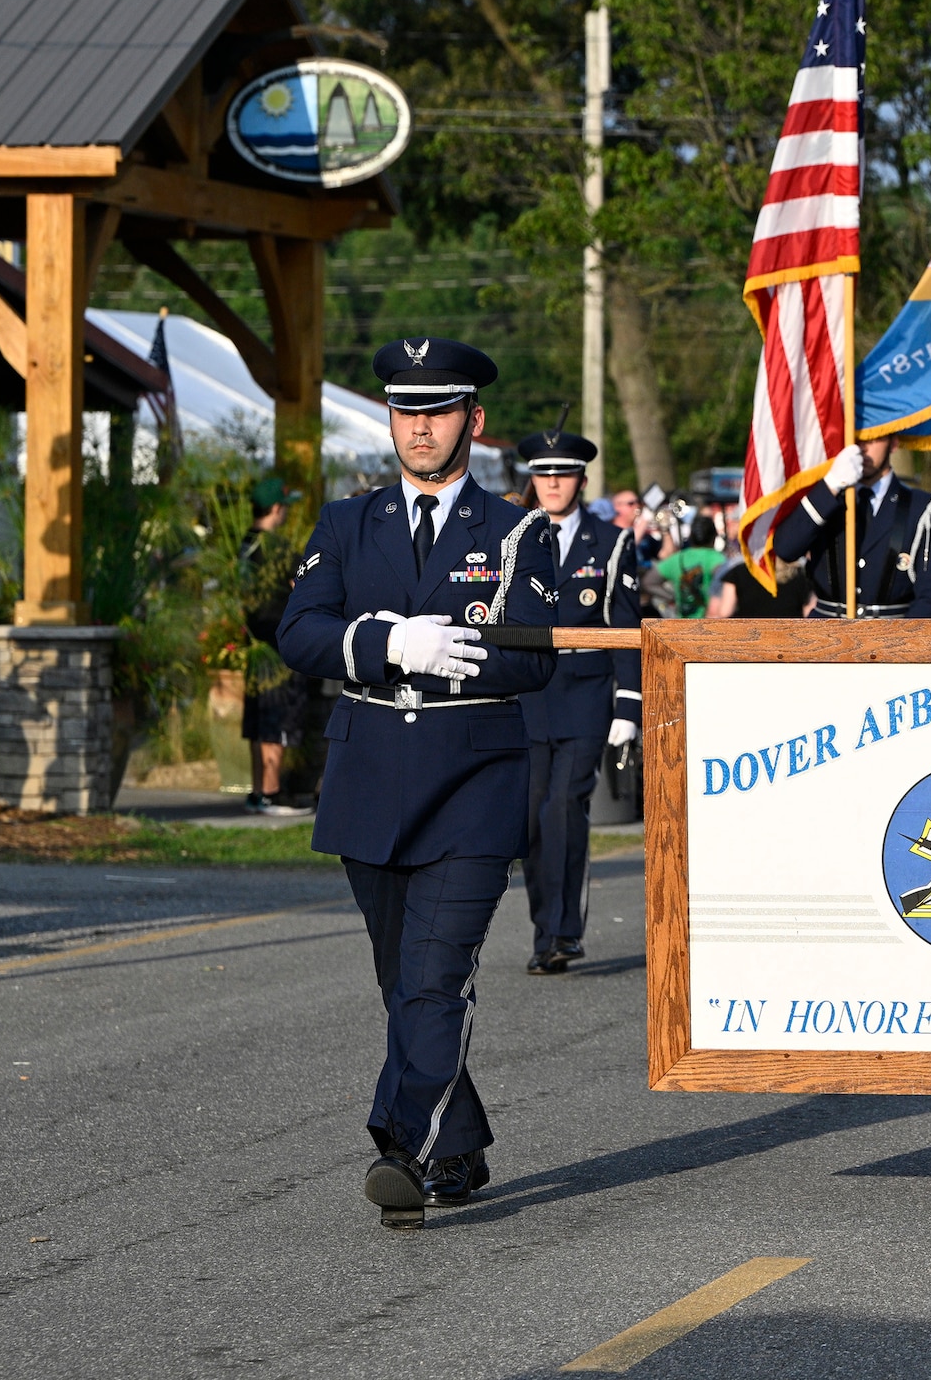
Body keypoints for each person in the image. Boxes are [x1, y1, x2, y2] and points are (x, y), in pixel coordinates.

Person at [277, 338, 559, 1229]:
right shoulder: (345, 524)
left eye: (438, 411)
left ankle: (398, 1141)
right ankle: (461, 1141)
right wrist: (389, 641)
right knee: (402, 979)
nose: (420, 428)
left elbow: (535, 652)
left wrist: (453, 656)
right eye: (406, 411)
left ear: (472, 421)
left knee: (437, 977)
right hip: (369, 774)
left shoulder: (516, 531)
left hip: (471, 778)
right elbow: (300, 630)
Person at [514, 420, 649, 976]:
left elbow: (625, 626)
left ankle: (562, 935)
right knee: (529, 820)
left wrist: (628, 706)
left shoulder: (611, 542)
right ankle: (544, 926)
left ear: (581, 480)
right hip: (527, 693)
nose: (552, 484)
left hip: (586, 694)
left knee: (565, 808)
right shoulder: (513, 538)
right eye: (542, 475)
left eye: (562, 475)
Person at [772, 439, 931, 617]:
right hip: (827, 636)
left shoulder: (921, 506)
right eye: (856, 437)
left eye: (874, 438)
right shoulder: (825, 498)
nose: (863, 447)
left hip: (892, 638)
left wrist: (897, 646)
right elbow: (786, 548)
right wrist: (831, 485)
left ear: (893, 443)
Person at [239, 474, 313, 816]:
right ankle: (272, 792)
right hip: (280, 643)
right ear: (277, 509)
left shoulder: (243, 546)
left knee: (258, 718)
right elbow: (304, 586)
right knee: (279, 717)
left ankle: (258, 790)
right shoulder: (278, 550)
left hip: (254, 644)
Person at [657, 513, 725, 619]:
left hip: (682, 625)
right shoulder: (716, 558)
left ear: (691, 537)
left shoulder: (678, 558)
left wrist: (671, 597)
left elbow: (648, 581)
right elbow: (724, 581)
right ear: (714, 536)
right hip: (709, 622)